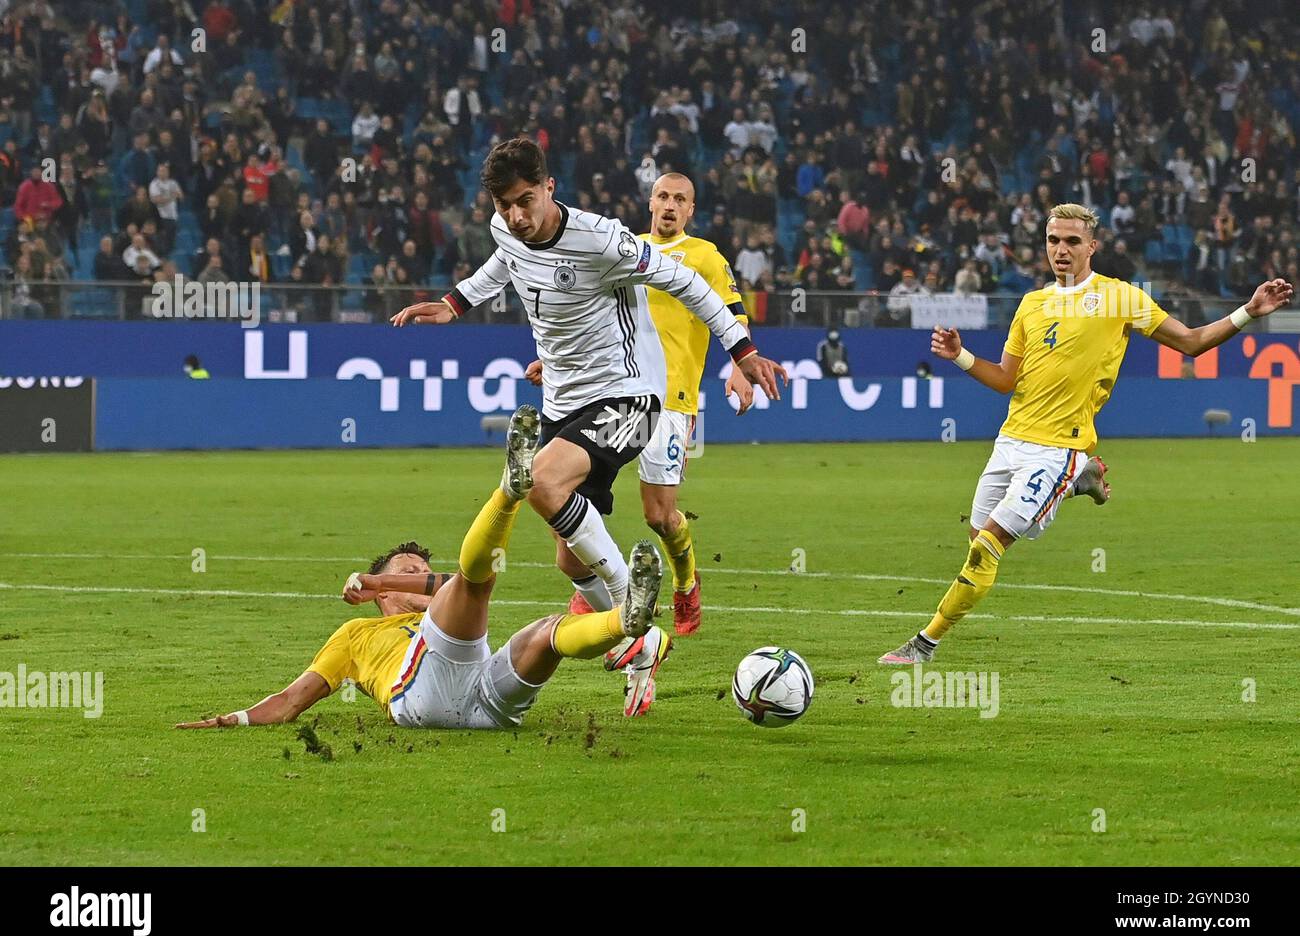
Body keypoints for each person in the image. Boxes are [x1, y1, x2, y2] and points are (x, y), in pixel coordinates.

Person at [389, 139, 784, 695]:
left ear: (550, 187)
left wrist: (743, 353)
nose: (517, 216)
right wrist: (455, 302)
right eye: (504, 205)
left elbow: (690, 285)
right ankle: (643, 641)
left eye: (527, 200)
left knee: (541, 482)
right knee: (571, 564)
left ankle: (632, 610)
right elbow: (503, 261)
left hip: (630, 396)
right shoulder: (507, 228)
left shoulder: (602, 239)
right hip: (564, 405)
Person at [878, 204, 1294, 664]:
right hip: (1010, 441)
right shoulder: (1031, 304)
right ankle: (1079, 483)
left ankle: (923, 643)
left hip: (1059, 447)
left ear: (1092, 247)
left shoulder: (1120, 298)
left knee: (986, 551)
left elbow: (1191, 342)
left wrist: (1249, 312)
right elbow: (1005, 380)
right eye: (1054, 240)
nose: (1061, 249)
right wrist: (960, 356)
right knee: (976, 541)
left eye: (1073, 241)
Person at [176, 406, 670, 730]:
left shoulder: (436, 606)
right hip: (420, 697)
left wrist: (381, 579)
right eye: (403, 570)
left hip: (486, 701)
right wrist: (233, 720)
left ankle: (625, 621)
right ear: (379, 599)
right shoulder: (355, 636)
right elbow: (291, 700)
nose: (414, 577)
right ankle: (510, 489)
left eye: (417, 570)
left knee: (548, 632)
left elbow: (441, 586)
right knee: (477, 581)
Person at [526, 172, 774, 640]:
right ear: (649, 201)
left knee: (659, 515)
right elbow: (588, 310)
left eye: (680, 199)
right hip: (612, 393)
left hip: (674, 398)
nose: (669, 204)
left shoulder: (705, 256)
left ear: (690, 211)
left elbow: (730, 309)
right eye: (663, 195)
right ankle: (600, 578)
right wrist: (553, 359)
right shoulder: (623, 246)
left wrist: (740, 366)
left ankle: (684, 581)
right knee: (577, 485)